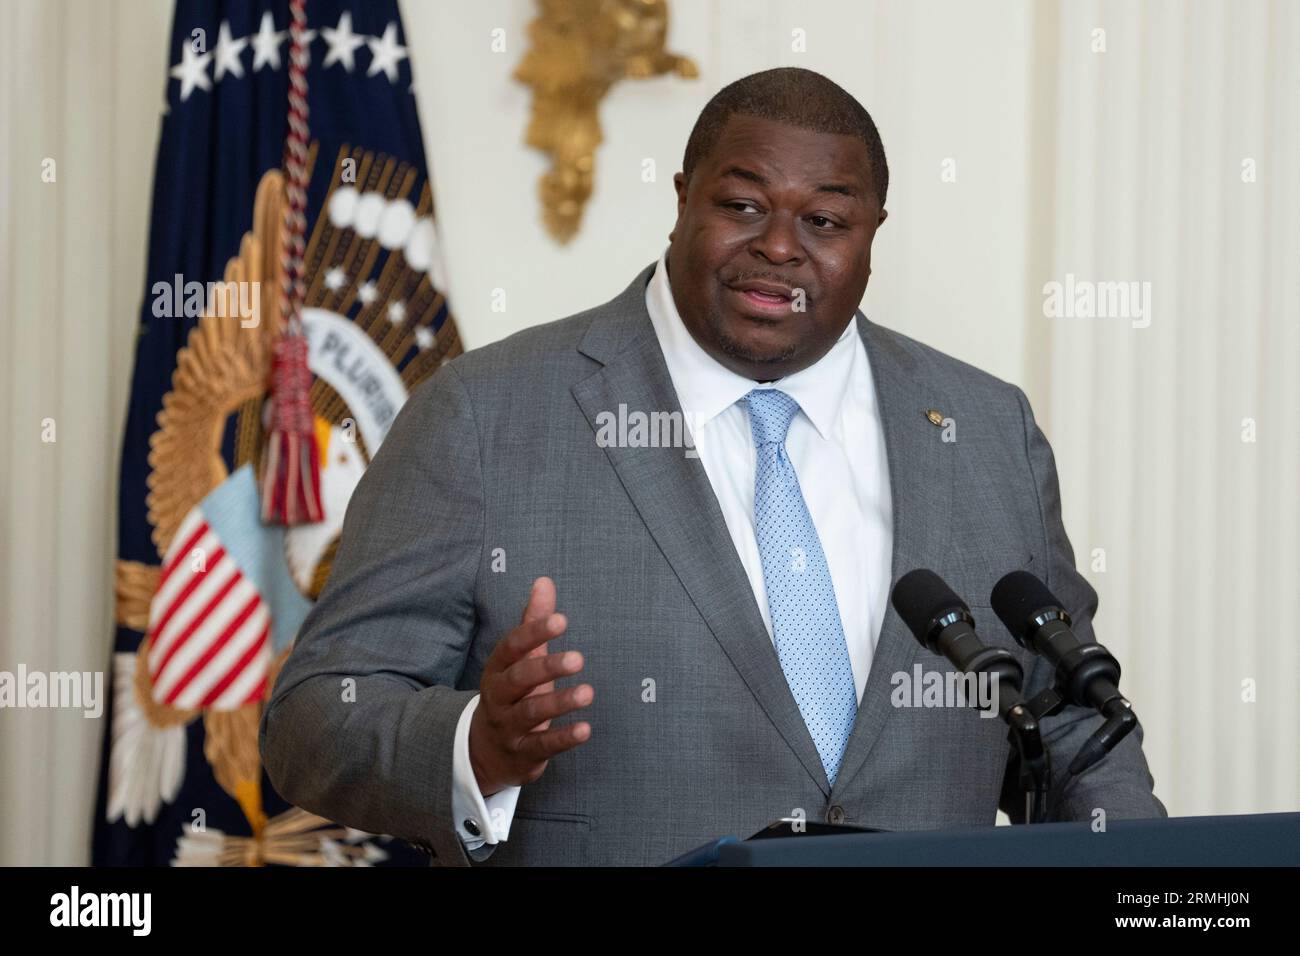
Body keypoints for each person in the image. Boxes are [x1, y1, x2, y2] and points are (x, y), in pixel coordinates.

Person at [260, 67, 1165, 866]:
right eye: (741, 205)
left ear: (873, 231)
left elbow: (1067, 725)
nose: (778, 245)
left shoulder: (981, 426)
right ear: (684, 195)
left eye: (824, 219)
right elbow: (312, 719)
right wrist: (475, 747)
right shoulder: (486, 415)